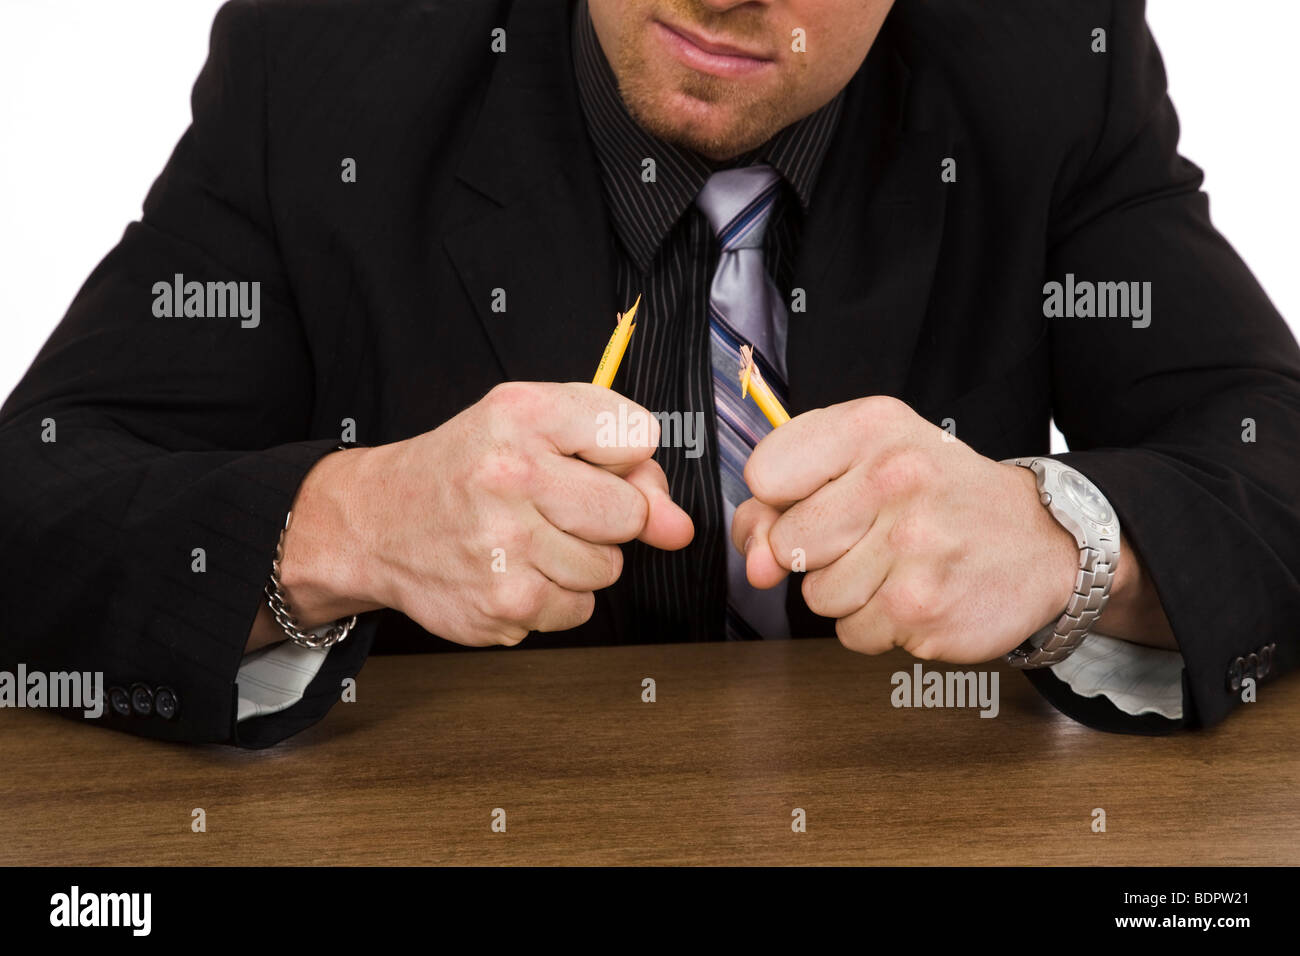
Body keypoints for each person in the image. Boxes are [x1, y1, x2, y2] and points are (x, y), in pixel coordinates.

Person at [1, 0, 1295, 747]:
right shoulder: (330, 51)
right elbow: (31, 511)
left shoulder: (1046, 53)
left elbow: (1272, 449)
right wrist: (351, 525)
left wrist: (1067, 547)